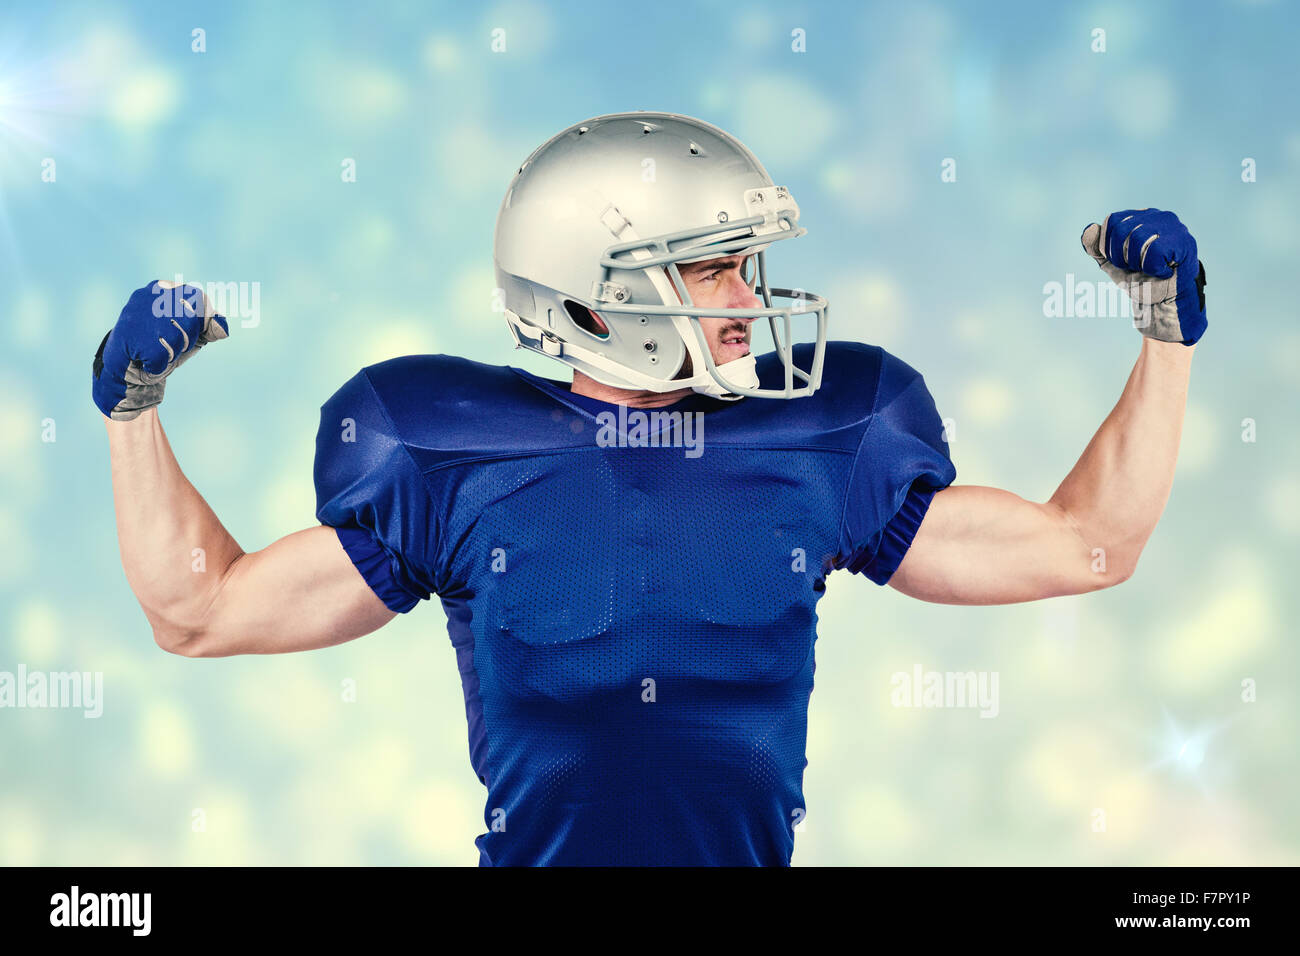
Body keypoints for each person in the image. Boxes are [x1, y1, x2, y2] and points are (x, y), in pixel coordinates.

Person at [95, 112, 1206, 865]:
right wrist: (134, 415)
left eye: (746, 262)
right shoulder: (448, 454)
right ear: (586, 295)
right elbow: (200, 612)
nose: (746, 295)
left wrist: (1163, 338)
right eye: (711, 265)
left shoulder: (825, 435)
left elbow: (1086, 546)